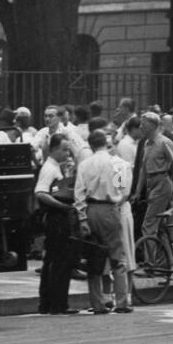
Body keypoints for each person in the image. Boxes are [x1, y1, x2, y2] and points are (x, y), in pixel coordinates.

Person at [74, 130, 134, 314]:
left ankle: (97, 302)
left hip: (91, 209)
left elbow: (79, 193)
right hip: (110, 209)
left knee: (94, 255)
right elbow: (122, 189)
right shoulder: (116, 164)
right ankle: (122, 301)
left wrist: (82, 217)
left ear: (91, 145)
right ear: (105, 143)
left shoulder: (84, 165)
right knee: (118, 256)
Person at [35, 133, 78, 315]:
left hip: (57, 217)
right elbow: (41, 193)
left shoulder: (56, 167)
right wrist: (62, 206)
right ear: (53, 149)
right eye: (63, 149)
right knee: (60, 261)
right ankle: (57, 304)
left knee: (53, 260)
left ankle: (50, 303)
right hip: (56, 218)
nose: (67, 153)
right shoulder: (50, 168)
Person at [134, 109, 173, 242]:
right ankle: (166, 260)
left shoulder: (164, 142)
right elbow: (143, 169)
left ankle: (151, 261)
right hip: (151, 185)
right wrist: (138, 191)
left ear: (152, 125)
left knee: (148, 226)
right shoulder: (146, 143)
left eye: (143, 124)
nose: (140, 127)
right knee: (158, 226)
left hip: (161, 184)